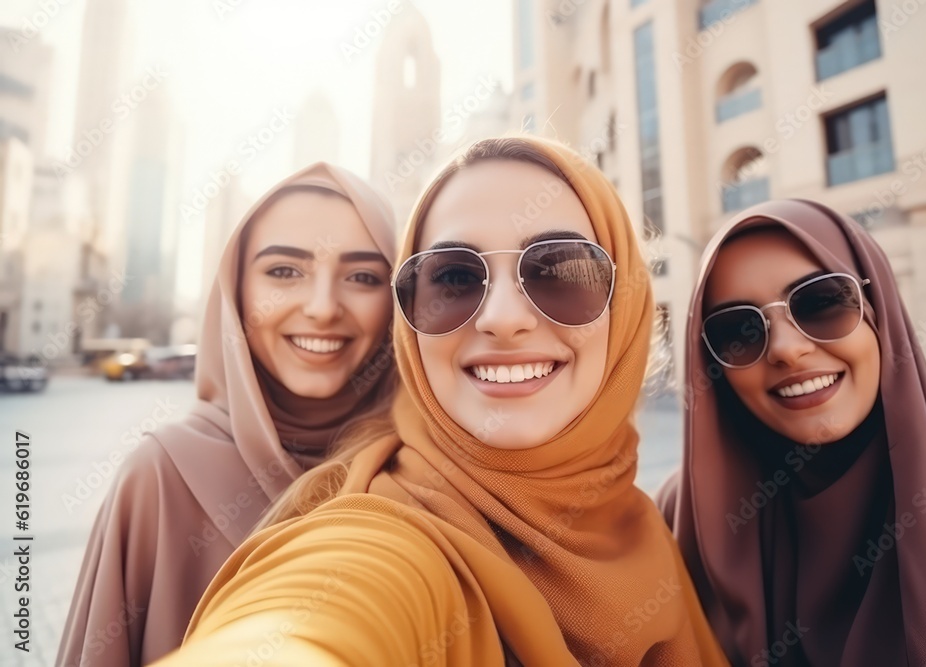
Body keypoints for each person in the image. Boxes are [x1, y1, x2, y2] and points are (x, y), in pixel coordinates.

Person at [152, 137, 728, 666]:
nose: (503, 319)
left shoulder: (648, 526)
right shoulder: (386, 531)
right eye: (454, 280)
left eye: (558, 270)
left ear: (624, 307)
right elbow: (318, 617)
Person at [58, 162, 399, 667]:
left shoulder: (423, 469)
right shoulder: (162, 475)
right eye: (284, 271)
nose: (323, 307)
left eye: (364, 276)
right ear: (235, 292)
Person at [656, 199, 926, 666]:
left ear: (880, 311)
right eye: (739, 328)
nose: (787, 350)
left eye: (820, 302)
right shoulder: (681, 518)